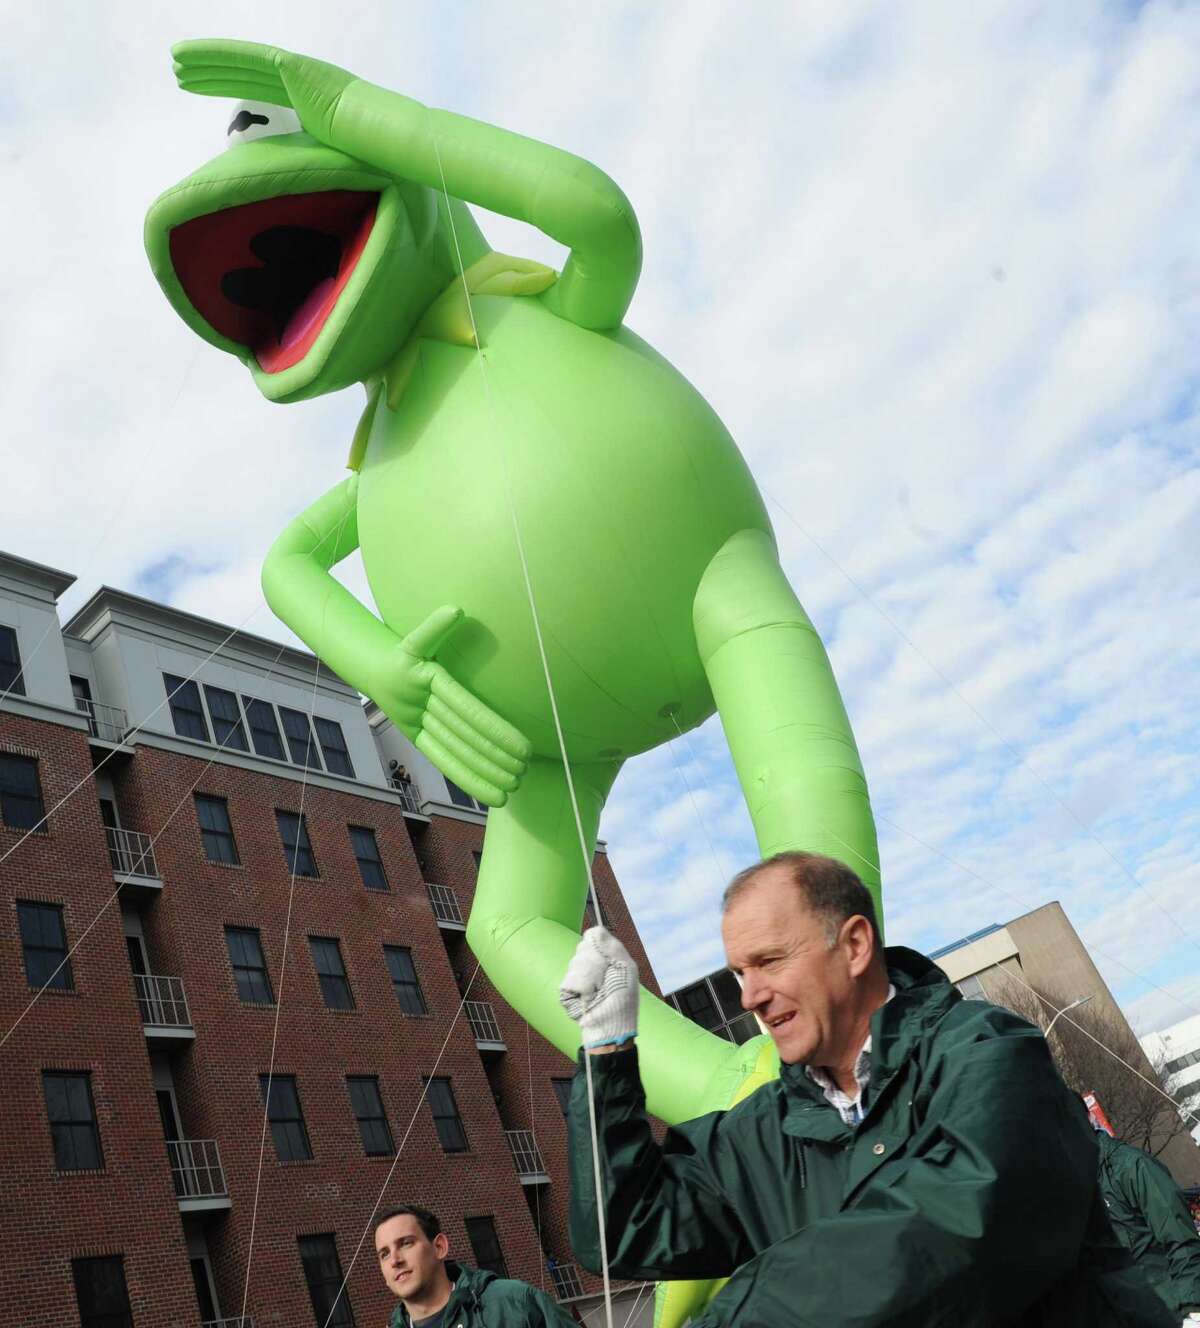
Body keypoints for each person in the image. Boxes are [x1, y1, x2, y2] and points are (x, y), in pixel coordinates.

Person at [559, 850, 1175, 1326]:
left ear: (854, 945)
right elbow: (623, 1236)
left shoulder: (987, 1051)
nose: (749, 996)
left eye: (770, 961)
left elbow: (960, 1225)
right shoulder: (761, 1132)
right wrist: (608, 1051)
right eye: (740, 973)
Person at [375, 1204, 576, 1328]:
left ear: (439, 1247)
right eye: (384, 1254)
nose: (394, 1260)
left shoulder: (515, 1303)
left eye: (406, 1243)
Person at [1089, 1115, 1200, 1324]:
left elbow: (1180, 1238)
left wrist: (1193, 1309)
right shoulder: (1070, 1191)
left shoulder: (1130, 1165)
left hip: (1176, 1310)